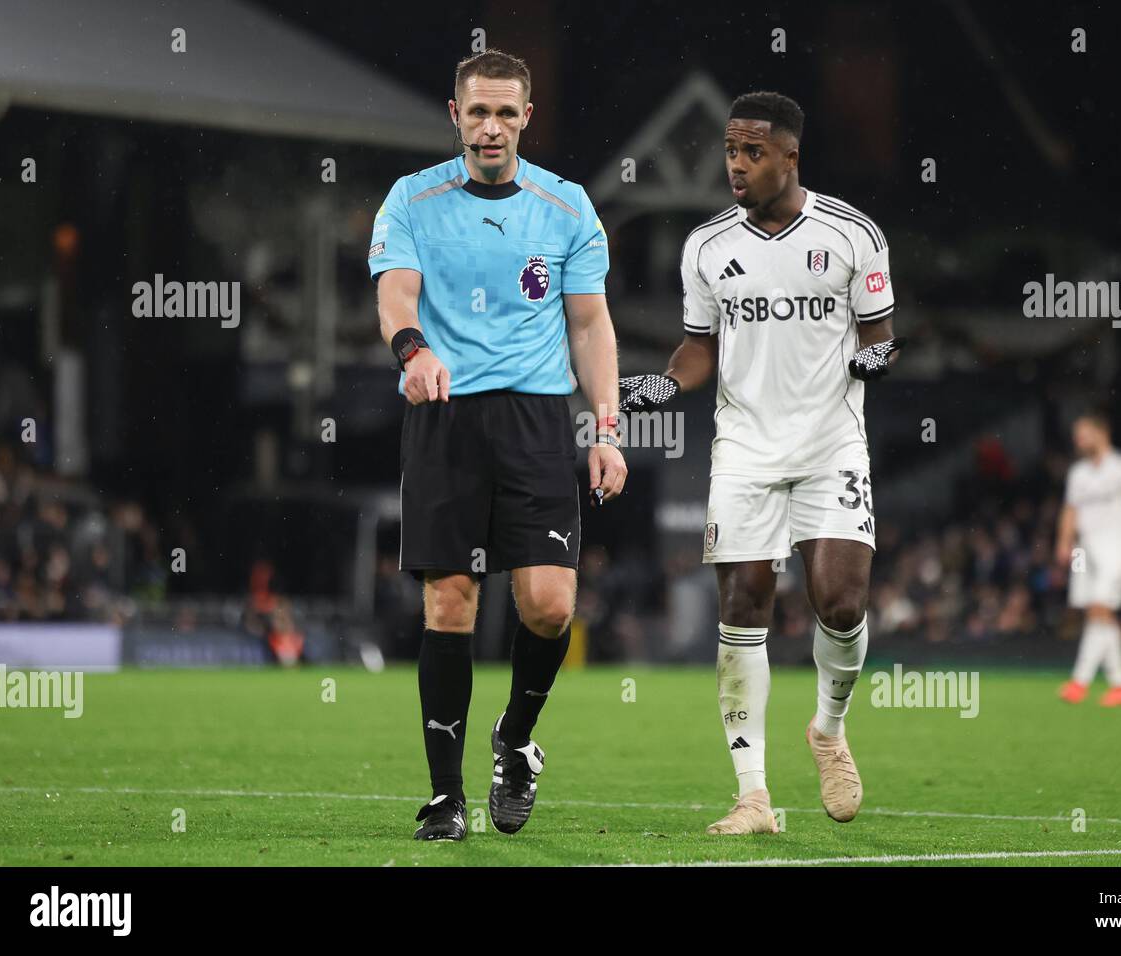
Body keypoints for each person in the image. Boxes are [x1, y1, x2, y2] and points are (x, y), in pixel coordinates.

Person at [619, 91, 904, 834]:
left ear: (790, 156)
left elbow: (880, 333)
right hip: (744, 448)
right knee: (743, 608)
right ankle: (753, 796)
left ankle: (829, 729)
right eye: (729, 152)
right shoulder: (708, 247)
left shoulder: (853, 235)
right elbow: (698, 347)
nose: (736, 166)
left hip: (830, 444)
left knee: (840, 604)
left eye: (751, 152)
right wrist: (661, 382)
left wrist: (875, 360)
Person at [369, 49, 627, 841]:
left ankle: (515, 740)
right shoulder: (412, 200)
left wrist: (607, 427)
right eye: (476, 112)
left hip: (538, 421)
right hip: (445, 418)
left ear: (526, 117)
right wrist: (414, 352)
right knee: (450, 601)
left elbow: (589, 324)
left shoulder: (567, 205)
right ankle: (446, 800)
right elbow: (394, 294)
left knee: (550, 607)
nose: (490, 127)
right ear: (455, 115)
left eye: (505, 113)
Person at [1056, 410, 1121, 706]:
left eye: (1083, 433)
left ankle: (1080, 681)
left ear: (1102, 433)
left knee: (1101, 608)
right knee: (1094, 612)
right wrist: (1064, 544)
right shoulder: (1078, 473)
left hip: (1118, 548)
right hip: (1083, 551)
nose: (1078, 439)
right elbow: (1070, 512)